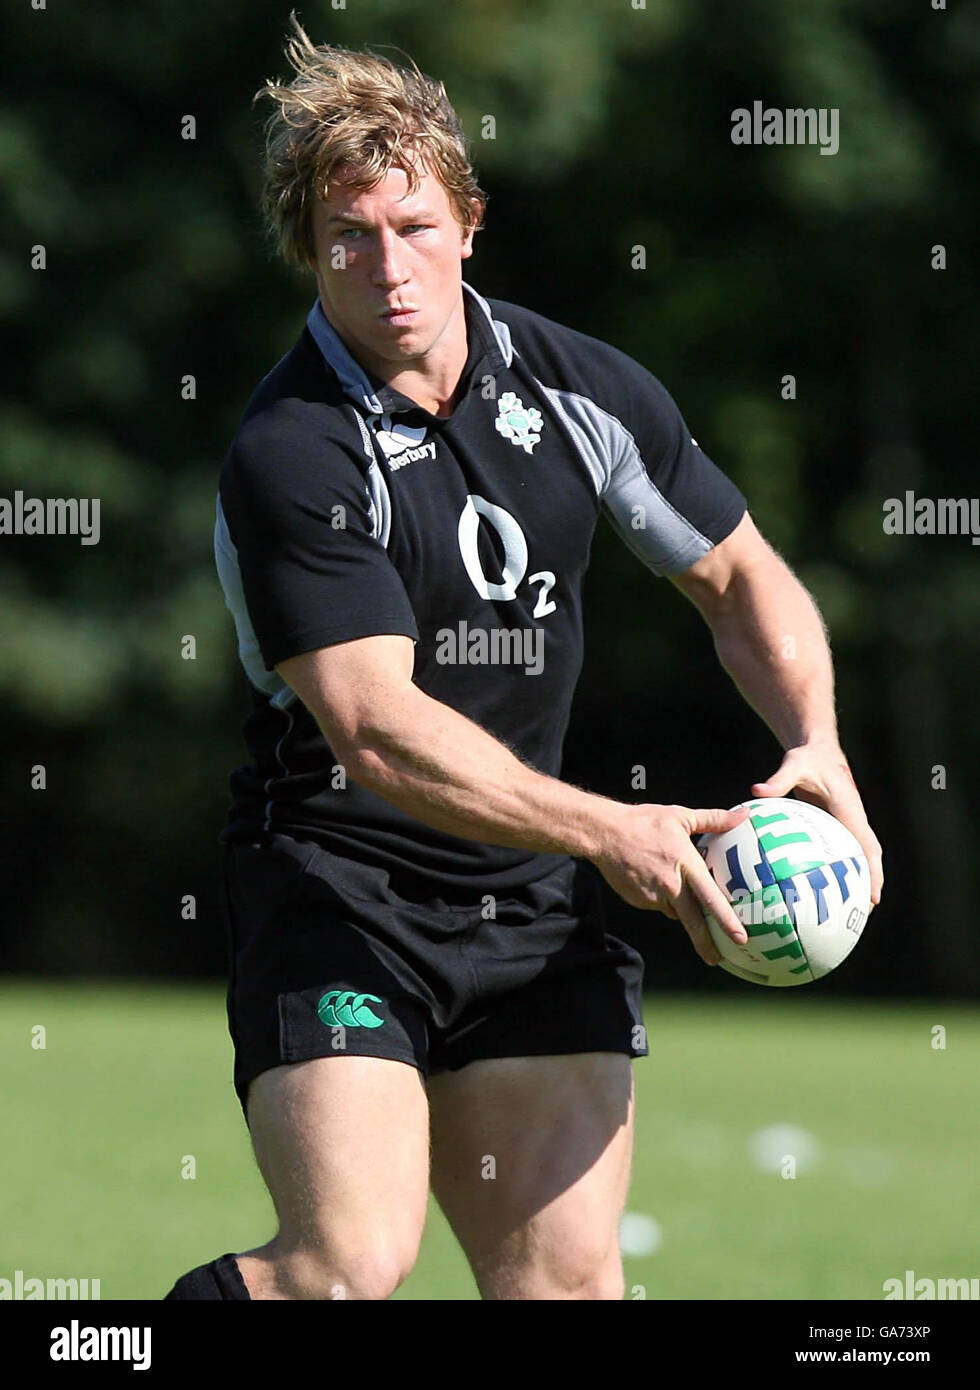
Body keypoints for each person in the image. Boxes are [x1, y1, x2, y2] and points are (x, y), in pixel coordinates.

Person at [164, 15, 882, 1302]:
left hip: (530, 909)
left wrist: (814, 742)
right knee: (340, 1269)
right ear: (307, 252)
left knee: (562, 1288)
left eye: (416, 226)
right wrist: (612, 829)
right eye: (349, 239)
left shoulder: (573, 386)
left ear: (469, 220)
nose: (389, 267)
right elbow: (374, 728)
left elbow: (739, 577)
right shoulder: (294, 453)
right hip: (341, 896)